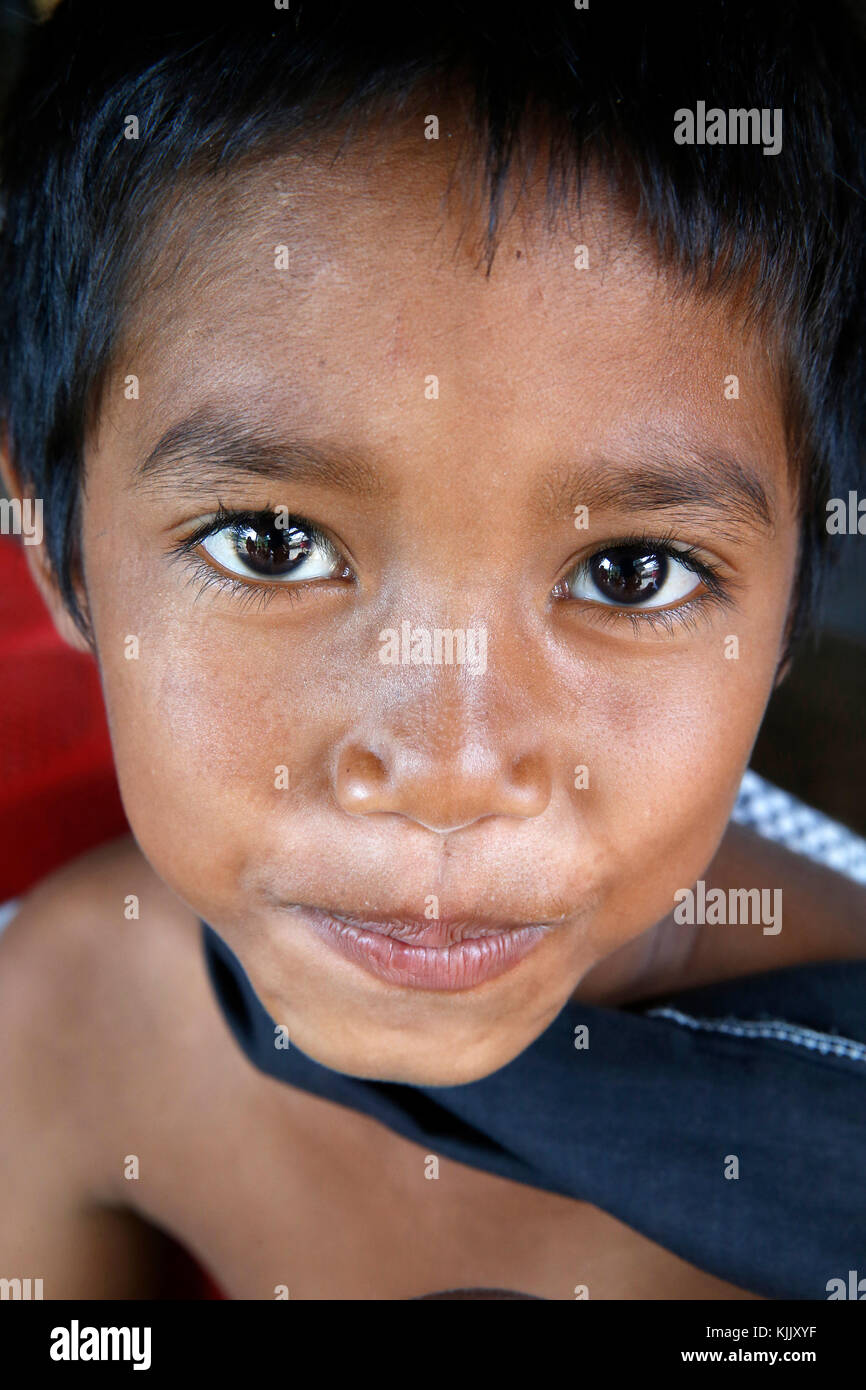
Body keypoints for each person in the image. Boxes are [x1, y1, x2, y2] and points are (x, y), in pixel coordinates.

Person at [0, 0, 864, 1301]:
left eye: (630, 571)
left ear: (793, 593)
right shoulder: (80, 1007)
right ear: (55, 547)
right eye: (272, 543)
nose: (448, 769)